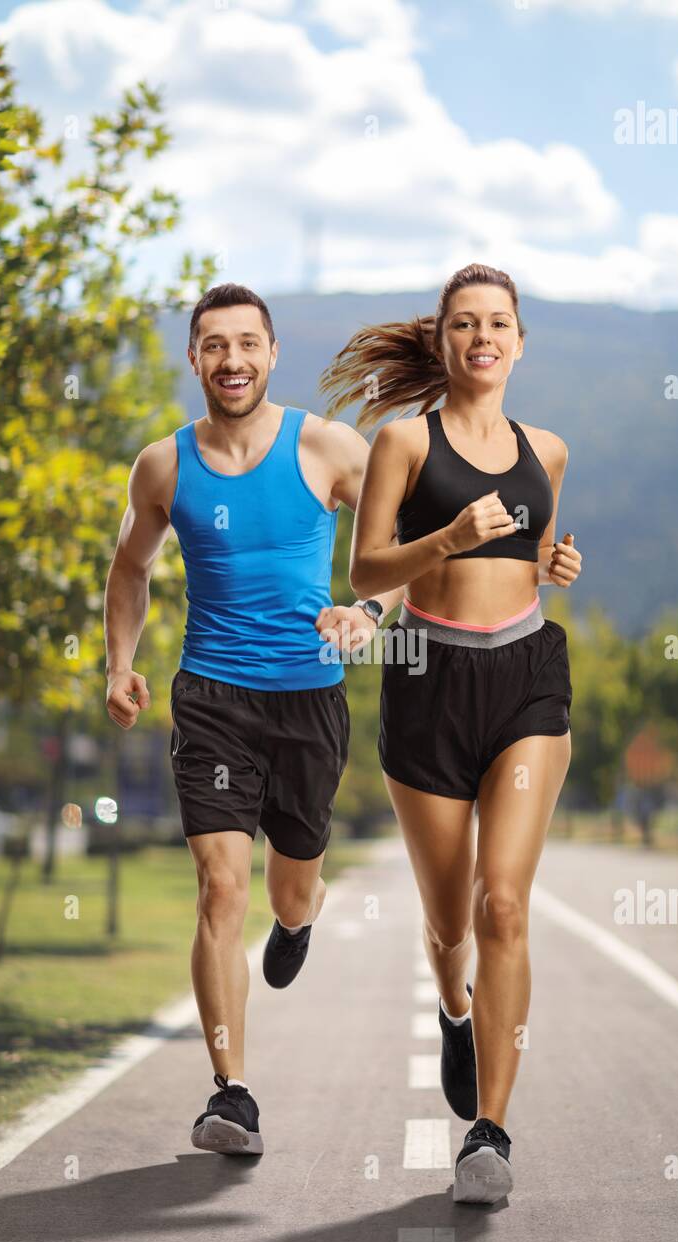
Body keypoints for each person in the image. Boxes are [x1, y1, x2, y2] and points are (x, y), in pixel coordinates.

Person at [104, 283, 403, 1157]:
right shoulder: (163, 466)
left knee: (289, 885)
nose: (230, 360)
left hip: (309, 700)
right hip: (212, 699)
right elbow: (130, 569)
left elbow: (399, 553)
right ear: (193, 359)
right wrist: (121, 665)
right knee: (220, 886)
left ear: (270, 355)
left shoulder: (328, 447)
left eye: (246, 344)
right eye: (213, 345)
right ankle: (231, 1094)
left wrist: (368, 612)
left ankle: (301, 920)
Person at [320, 263, 582, 1203]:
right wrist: (448, 542)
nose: (482, 337)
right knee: (448, 922)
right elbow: (370, 569)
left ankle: (491, 1136)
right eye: (464, 323)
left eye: (498, 323)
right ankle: (454, 1007)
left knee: (501, 903)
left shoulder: (546, 450)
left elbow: (539, 559)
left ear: (519, 341)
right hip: (427, 680)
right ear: (443, 341)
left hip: (524, 680)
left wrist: (554, 562)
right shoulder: (402, 440)